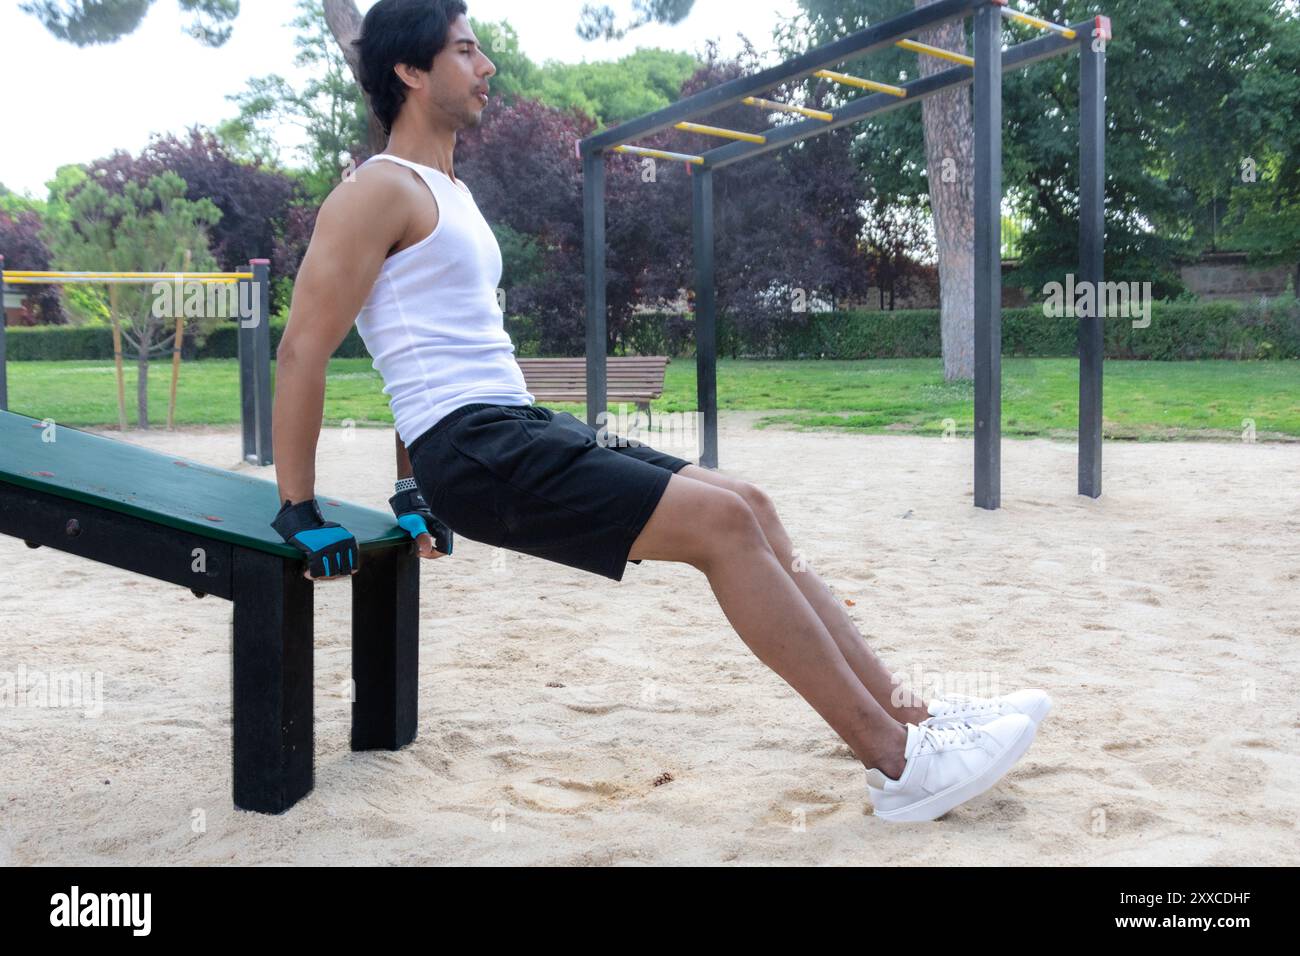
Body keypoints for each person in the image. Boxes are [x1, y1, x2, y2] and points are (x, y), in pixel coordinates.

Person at [269, 0, 1051, 823]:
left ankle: (910, 718)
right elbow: (303, 348)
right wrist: (300, 507)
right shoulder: (374, 192)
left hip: (504, 427)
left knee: (748, 503)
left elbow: (419, 342)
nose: (487, 66)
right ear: (411, 72)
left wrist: (409, 488)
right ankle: (899, 766)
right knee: (722, 529)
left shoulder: (445, 189)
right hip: (476, 447)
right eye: (466, 51)